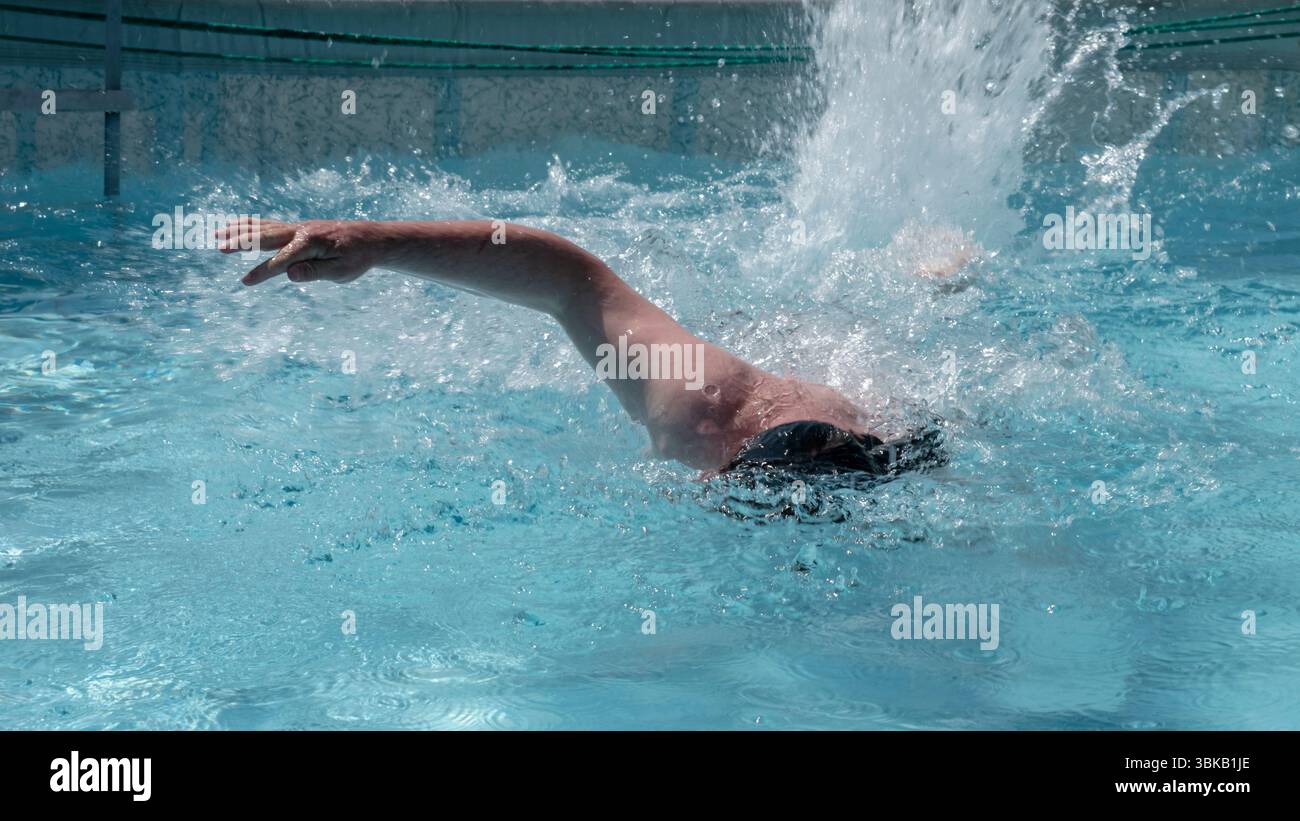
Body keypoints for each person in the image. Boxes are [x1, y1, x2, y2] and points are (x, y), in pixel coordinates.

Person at [218, 218, 951, 479]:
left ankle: (938, 276)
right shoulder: (702, 401)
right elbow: (571, 281)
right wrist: (373, 241)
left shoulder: (897, 448)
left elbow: (572, 284)